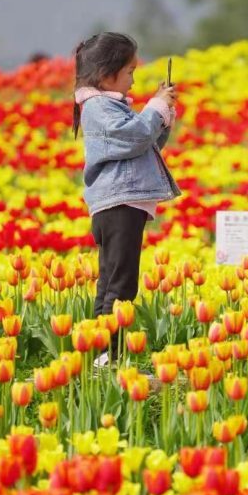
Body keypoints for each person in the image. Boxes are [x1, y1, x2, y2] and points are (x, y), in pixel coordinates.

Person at [74, 32, 181, 364]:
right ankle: (109, 354)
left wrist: (161, 119)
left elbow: (142, 147)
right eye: (130, 72)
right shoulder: (100, 106)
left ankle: (101, 352)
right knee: (119, 284)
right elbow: (134, 137)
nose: (134, 80)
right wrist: (156, 107)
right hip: (119, 204)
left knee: (111, 282)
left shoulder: (107, 105)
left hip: (121, 203)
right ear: (107, 76)